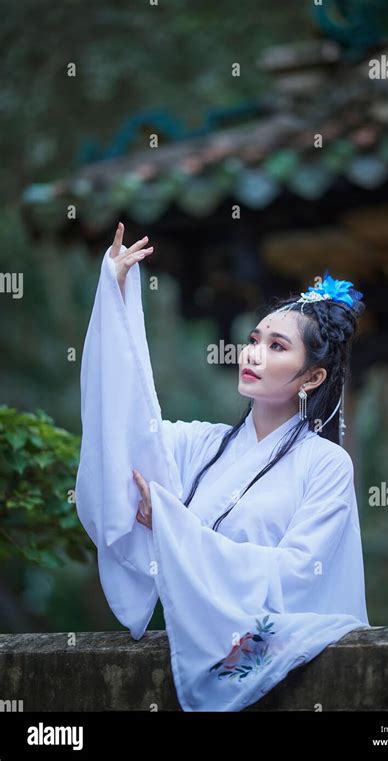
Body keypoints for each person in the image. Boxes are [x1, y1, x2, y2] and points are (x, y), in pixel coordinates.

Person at [75, 222, 371, 712]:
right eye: (255, 339)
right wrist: (117, 297)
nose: (252, 353)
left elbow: (299, 575)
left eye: (277, 347)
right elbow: (125, 423)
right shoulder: (201, 446)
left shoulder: (326, 464)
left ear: (312, 377)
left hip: (284, 675)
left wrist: (172, 525)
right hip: (196, 646)